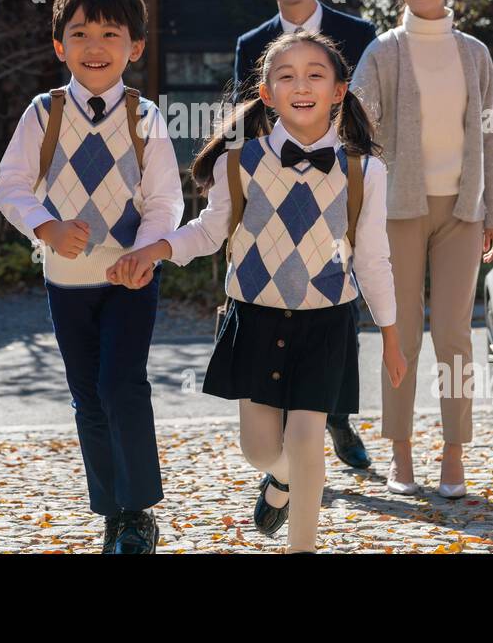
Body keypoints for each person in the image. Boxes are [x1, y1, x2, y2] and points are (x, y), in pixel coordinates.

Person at [109, 30, 408, 553]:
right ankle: (281, 480)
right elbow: (206, 232)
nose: (302, 85)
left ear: (339, 90)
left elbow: (373, 257)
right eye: (286, 75)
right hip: (255, 317)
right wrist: (153, 250)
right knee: (260, 447)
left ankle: (302, 545)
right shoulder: (237, 162)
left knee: (308, 439)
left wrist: (390, 332)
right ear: (266, 94)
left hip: (327, 322)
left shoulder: (366, 171)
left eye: (316, 74)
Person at [0, 0, 185, 552]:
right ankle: (112, 511)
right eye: (79, 33)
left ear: (136, 46)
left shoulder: (145, 117)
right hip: (67, 282)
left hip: (130, 279)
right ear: (59, 46)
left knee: (121, 386)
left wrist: (148, 251)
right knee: (88, 397)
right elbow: (10, 187)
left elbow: (165, 200)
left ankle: (138, 512)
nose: (94, 46)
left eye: (110, 33)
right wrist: (46, 227)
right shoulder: (43, 114)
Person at [350, 0, 493, 499]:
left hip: (462, 211)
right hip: (398, 211)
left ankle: (455, 455)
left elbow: (490, 135)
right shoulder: (384, 52)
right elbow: (356, 121)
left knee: (455, 334)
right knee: (402, 333)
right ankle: (401, 454)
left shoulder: (475, 54)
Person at [233, 0, 379, 469]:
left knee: (339, 306)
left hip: (340, 184)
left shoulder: (357, 33)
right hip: (276, 192)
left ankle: (337, 419)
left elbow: (371, 111)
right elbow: (245, 120)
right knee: (280, 307)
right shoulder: (252, 44)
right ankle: (284, 445)